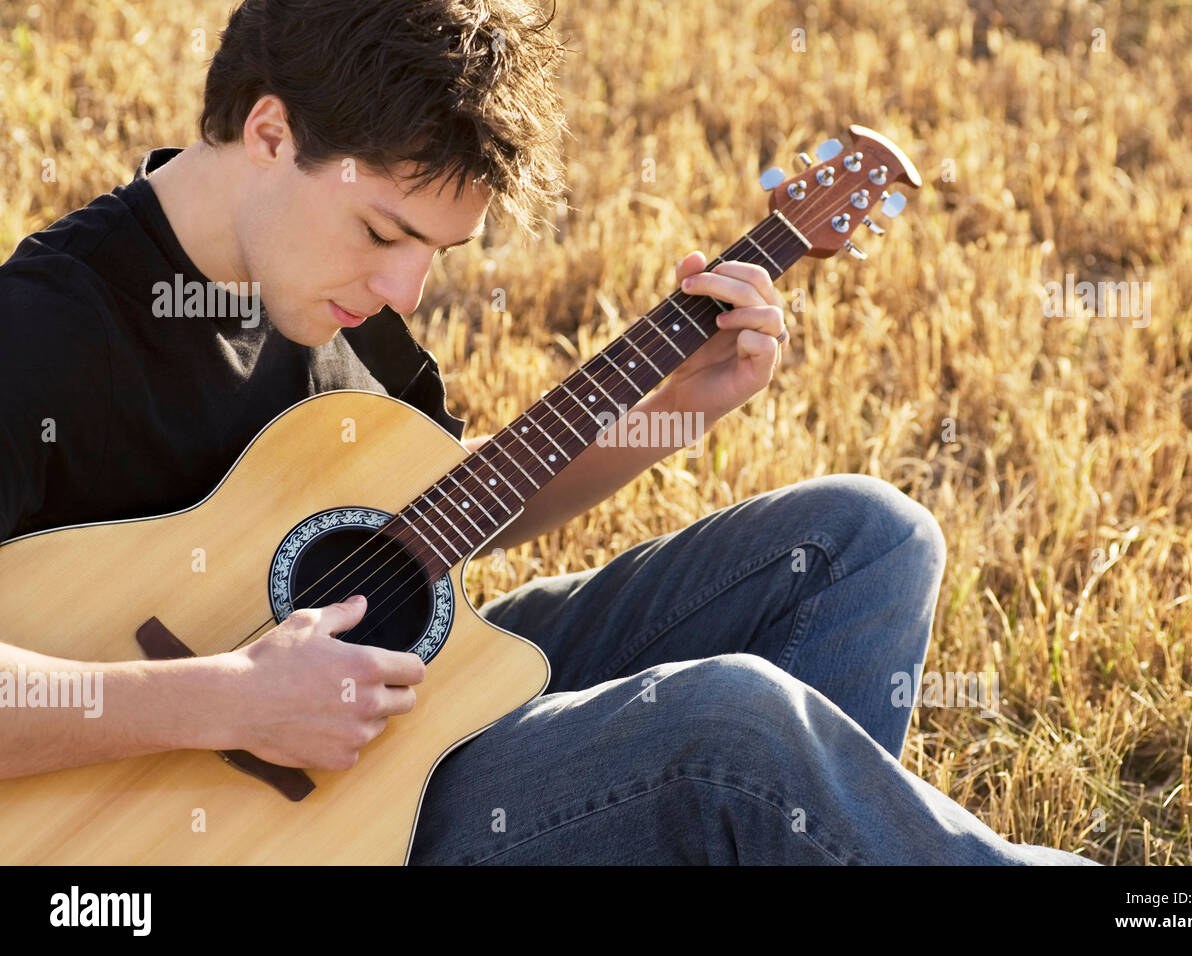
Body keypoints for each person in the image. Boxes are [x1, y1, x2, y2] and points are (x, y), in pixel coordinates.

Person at [0, 0, 1095, 865]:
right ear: (270, 131)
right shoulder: (44, 328)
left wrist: (682, 404)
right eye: (384, 231)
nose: (407, 289)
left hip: (419, 720)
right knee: (729, 724)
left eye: (439, 251)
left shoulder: (349, 304)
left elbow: (438, 521)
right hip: (293, 830)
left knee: (864, 536)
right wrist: (229, 697)